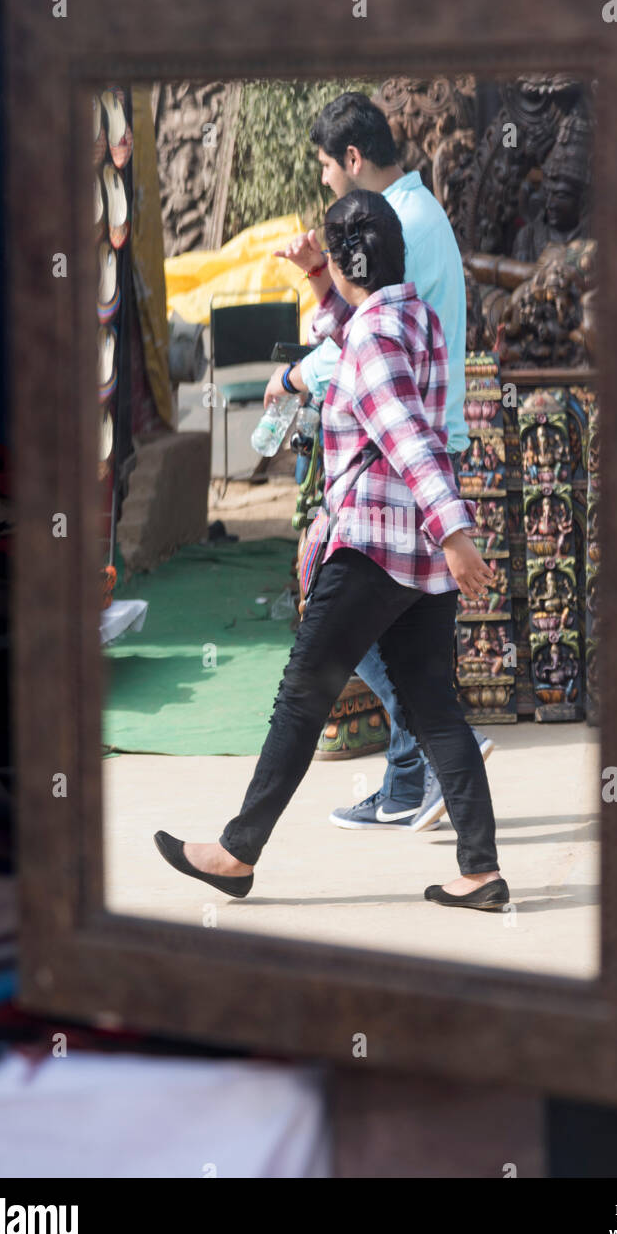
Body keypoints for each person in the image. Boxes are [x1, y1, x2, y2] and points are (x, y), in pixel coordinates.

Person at [155, 190, 509, 913]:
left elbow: (405, 433)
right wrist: (321, 280)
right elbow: (349, 341)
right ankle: (480, 871)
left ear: (354, 260)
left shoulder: (375, 336)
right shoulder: (412, 316)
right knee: (433, 705)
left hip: (375, 542)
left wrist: (457, 531)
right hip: (416, 558)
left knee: (301, 695)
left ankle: (236, 851)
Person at [265, 91, 491, 835]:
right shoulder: (410, 219)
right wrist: (319, 288)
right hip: (404, 469)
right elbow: (371, 327)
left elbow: (375, 363)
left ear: (352, 159)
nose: (329, 183)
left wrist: (299, 374)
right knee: (416, 668)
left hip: (392, 474)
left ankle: (246, 842)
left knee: (327, 646)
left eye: (328, 169)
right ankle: (420, 784)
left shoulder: (392, 223)